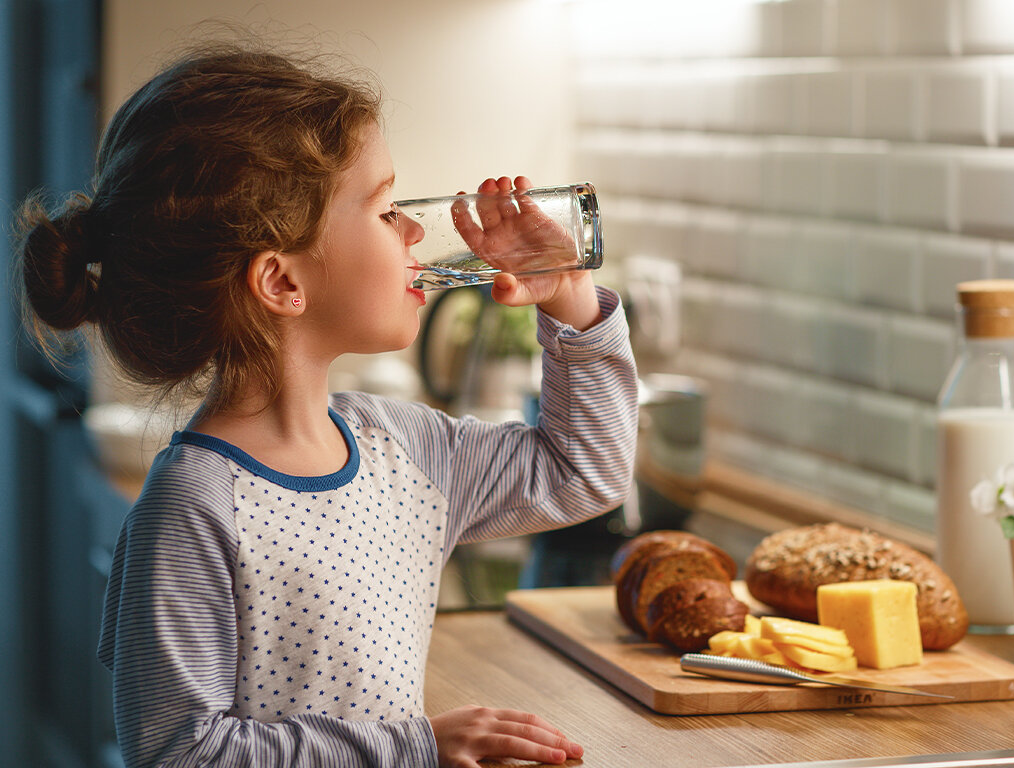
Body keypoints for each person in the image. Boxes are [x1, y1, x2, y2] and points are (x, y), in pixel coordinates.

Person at [16, 42, 638, 768]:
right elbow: (180, 753)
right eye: (382, 210)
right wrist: (414, 750)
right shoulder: (191, 510)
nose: (413, 228)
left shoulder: (401, 447)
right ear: (281, 284)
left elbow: (581, 470)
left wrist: (570, 301)